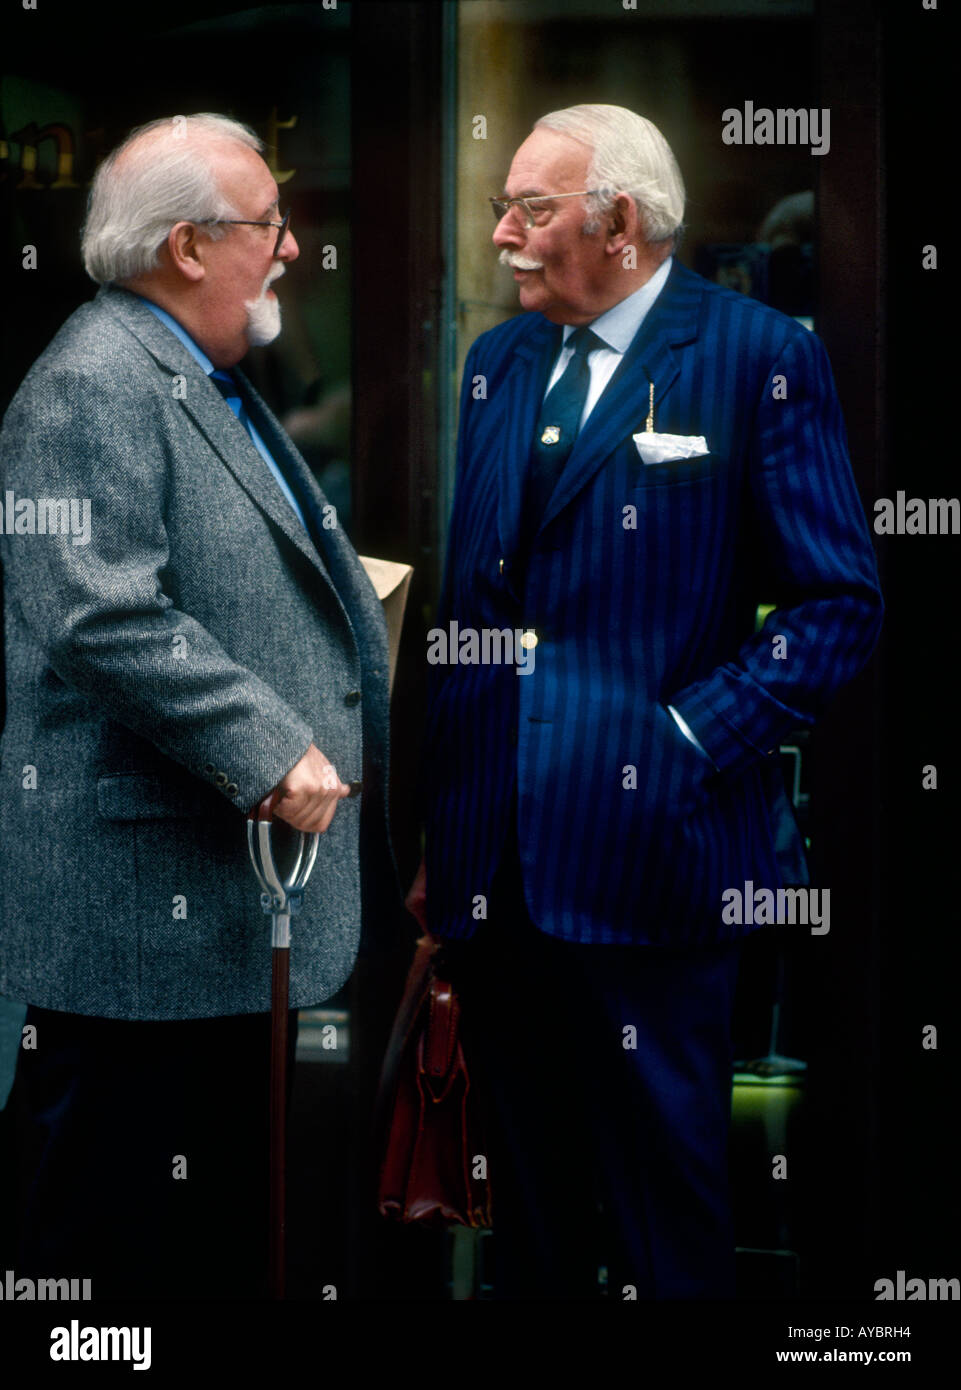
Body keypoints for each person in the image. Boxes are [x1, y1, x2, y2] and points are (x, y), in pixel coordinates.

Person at [406, 103, 883, 1299]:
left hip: (656, 868)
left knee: (671, 1219)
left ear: (617, 220)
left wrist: (679, 737)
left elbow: (838, 607)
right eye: (501, 206)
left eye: (532, 208)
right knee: (528, 1227)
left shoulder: (755, 355)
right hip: (494, 877)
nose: (503, 234)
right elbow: (478, 613)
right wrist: (438, 829)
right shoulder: (495, 365)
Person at [0, 113, 395, 1298]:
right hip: (140, 932)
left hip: (212, 922)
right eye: (269, 225)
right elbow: (99, 613)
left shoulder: (190, 369)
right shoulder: (90, 381)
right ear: (187, 244)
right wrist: (272, 744)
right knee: (104, 1257)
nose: (288, 249)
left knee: (200, 1244)